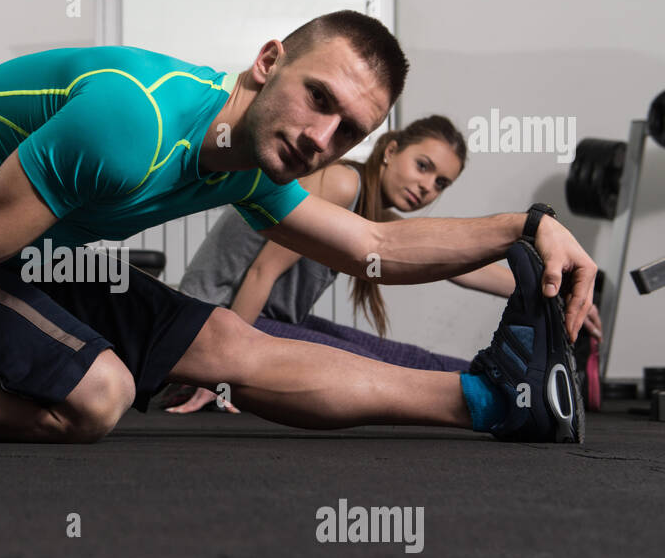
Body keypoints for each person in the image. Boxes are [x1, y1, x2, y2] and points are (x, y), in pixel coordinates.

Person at [0, 10, 597, 450]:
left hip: (10, 254)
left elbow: (374, 248)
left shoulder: (253, 157)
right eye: (318, 98)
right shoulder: (130, 122)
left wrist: (529, 228)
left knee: (231, 341)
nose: (323, 137)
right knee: (98, 396)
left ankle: (489, 401)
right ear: (268, 61)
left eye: (349, 130)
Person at [164, 115, 603, 413]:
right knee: (380, 369)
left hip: (262, 321)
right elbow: (263, 272)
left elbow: (459, 266)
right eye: (423, 166)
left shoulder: (370, 212)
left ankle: (528, 386)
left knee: (406, 357)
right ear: (390, 151)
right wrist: (218, 368)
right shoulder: (339, 183)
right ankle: (520, 397)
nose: (426, 187)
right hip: (216, 321)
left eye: (440, 183)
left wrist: (558, 295)